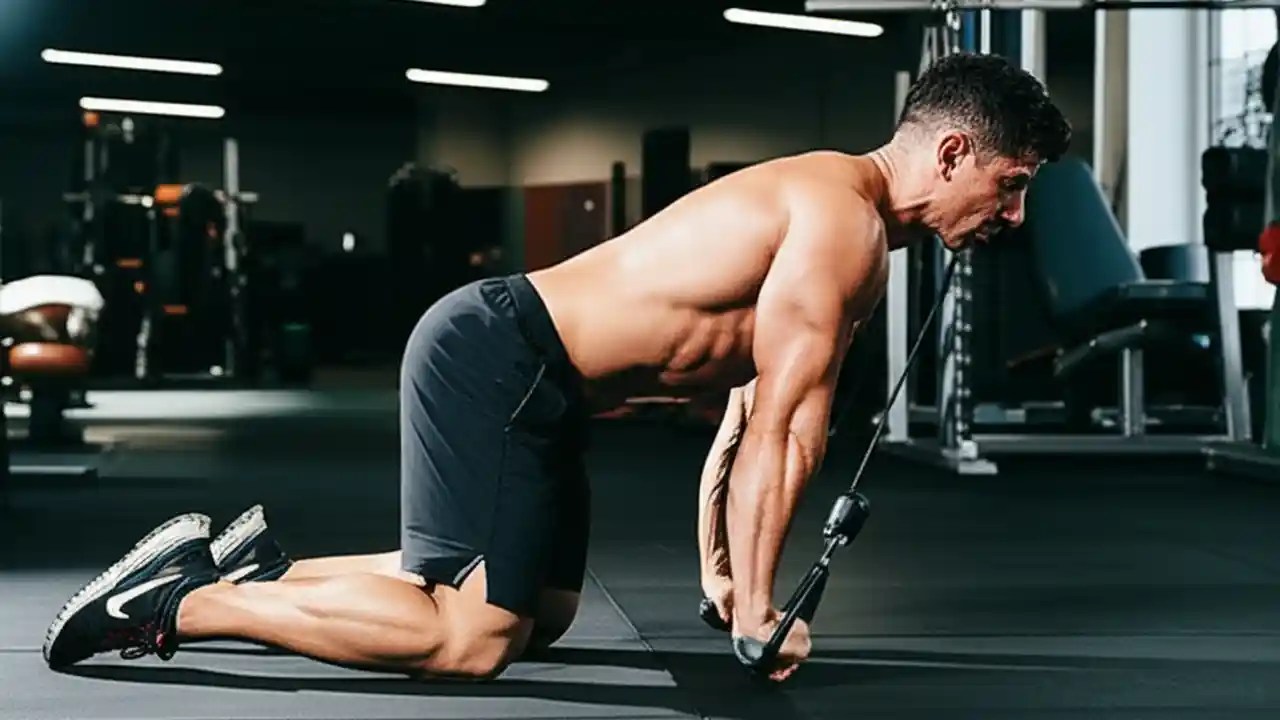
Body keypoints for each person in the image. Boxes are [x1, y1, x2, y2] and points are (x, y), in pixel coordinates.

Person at [43, 52, 1070, 683]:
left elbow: (744, 418)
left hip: (542, 388)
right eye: (1010, 184)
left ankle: (256, 572)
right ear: (949, 156)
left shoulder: (844, 233)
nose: (1012, 215)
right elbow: (784, 433)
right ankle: (170, 607)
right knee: (471, 641)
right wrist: (760, 612)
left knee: (540, 617)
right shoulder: (838, 223)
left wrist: (723, 576)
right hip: (503, 353)